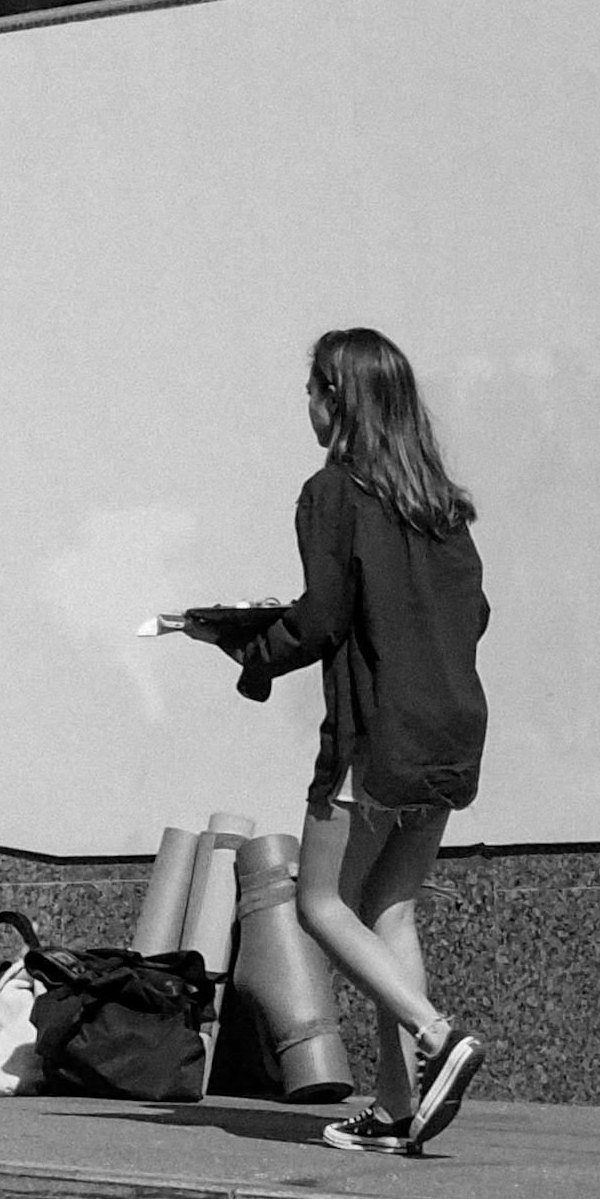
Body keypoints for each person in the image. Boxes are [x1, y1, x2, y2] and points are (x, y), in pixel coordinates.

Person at [202, 327, 492, 1155]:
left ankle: (437, 1036)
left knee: (319, 903)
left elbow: (323, 618)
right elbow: (473, 615)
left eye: (315, 390)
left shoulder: (334, 493)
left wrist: (246, 648)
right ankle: (401, 1112)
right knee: (389, 910)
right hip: (453, 729)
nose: (308, 404)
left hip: (379, 731)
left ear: (340, 399)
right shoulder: (440, 505)